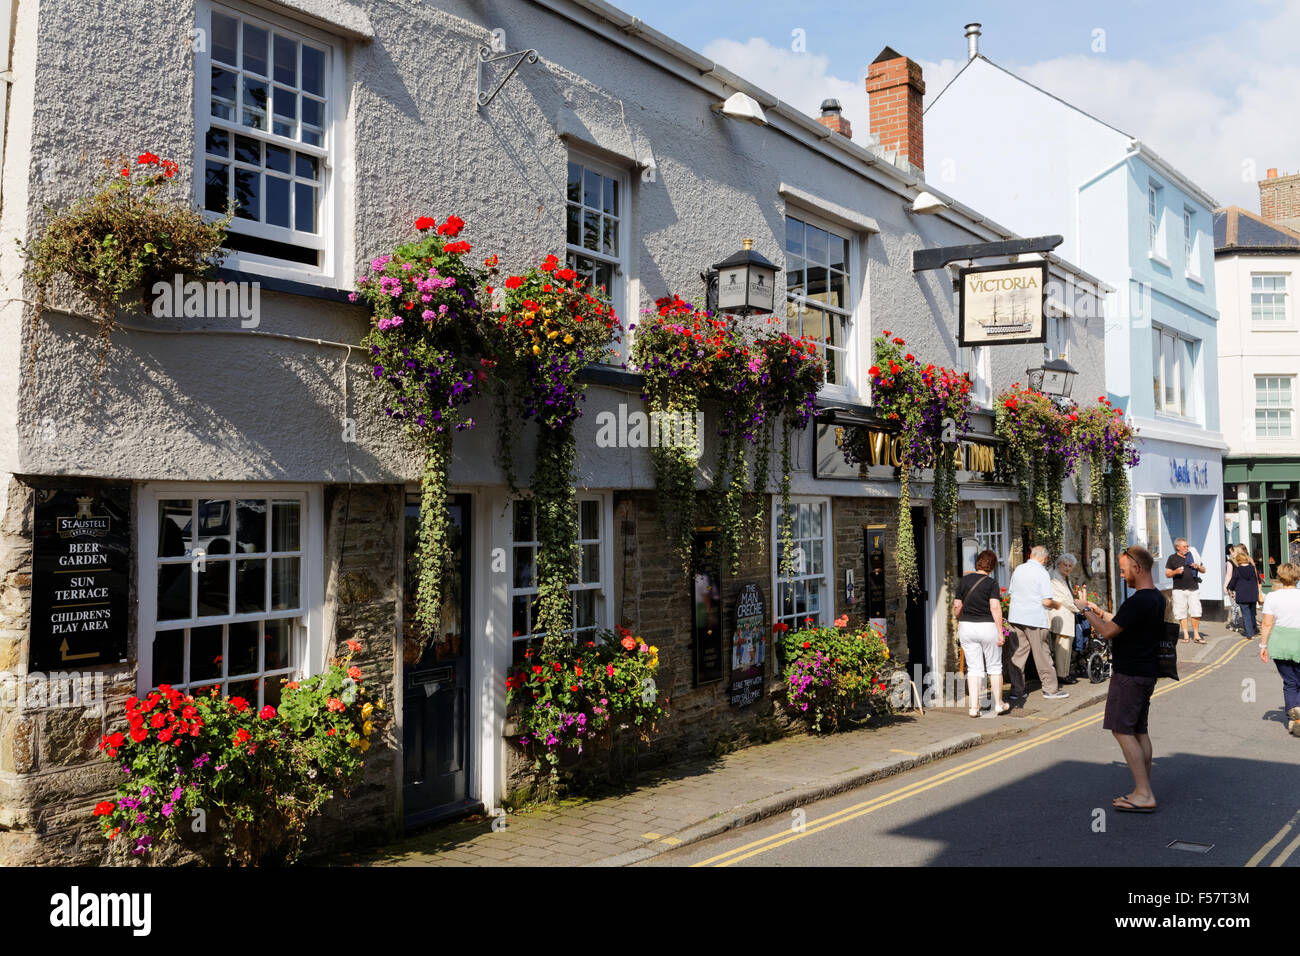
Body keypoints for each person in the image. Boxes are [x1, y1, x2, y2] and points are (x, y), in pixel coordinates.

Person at [1082, 546, 1163, 813]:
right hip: (1146, 672)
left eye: (1123, 568)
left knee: (1122, 730)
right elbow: (1120, 622)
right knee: (1139, 730)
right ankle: (1144, 788)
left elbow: (1106, 632)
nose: (1121, 572)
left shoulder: (1138, 600)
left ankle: (1143, 793)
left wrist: (1085, 611)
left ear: (1137, 567)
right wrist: (1099, 611)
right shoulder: (1156, 598)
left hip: (1129, 674)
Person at [1006, 545, 1067, 705]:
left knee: (1017, 656)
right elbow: (1046, 601)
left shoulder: (1018, 569)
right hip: (1034, 619)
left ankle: (1016, 691)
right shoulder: (1042, 573)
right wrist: (1057, 605)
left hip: (1015, 618)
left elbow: (1011, 592)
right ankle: (1051, 689)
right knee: (1042, 655)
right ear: (1043, 558)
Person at [953, 549, 1009, 717]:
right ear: (992, 566)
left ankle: (973, 708)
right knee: (994, 666)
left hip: (967, 627)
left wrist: (958, 618)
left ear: (978, 562)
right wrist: (1000, 632)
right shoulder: (991, 583)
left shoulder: (964, 581)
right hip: (986, 627)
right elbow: (995, 607)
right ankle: (998, 704)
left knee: (974, 668)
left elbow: (957, 606)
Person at [1259, 562, 1300, 737]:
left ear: (1280, 577)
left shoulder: (1272, 597)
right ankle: (1297, 713)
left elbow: (1267, 624)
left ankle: (1295, 714)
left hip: (1280, 642)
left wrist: (1263, 646)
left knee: (1290, 682)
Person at [1049, 553, 1083, 686]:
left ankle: (1065, 673)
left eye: (1070, 566)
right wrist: (1079, 608)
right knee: (1062, 647)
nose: (1068, 568)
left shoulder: (1064, 577)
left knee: (1066, 647)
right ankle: (1062, 675)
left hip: (1066, 615)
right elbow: (1064, 599)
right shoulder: (1054, 576)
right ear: (1059, 564)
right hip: (1060, 615)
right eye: (1065, 565)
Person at [1165, 537, 1206, 644]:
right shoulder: (1172, 558)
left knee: (1196, 611)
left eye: (1187, 546)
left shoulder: (1192, 555)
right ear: (1177, 547)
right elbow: (1168, 574)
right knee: (1181, 612)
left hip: (1193, 588)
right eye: (1184, 546)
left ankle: (1196, 634)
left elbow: (1204, 570)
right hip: (1179, 590)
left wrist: (1198, 567)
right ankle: (1186, 634)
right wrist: (1176, 572)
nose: (1186, 548)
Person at [1227, 548, 1261, 639]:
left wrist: (1230, 589)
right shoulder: (1253, 569)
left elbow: (1233, 582)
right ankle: (1254, 629)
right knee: (1252, 613)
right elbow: (1259, 579)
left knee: (1246, 615)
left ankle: (1250, 634)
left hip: (1242, 596)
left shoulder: (1237, 570)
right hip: (1253, 595)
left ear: (1238, 561)